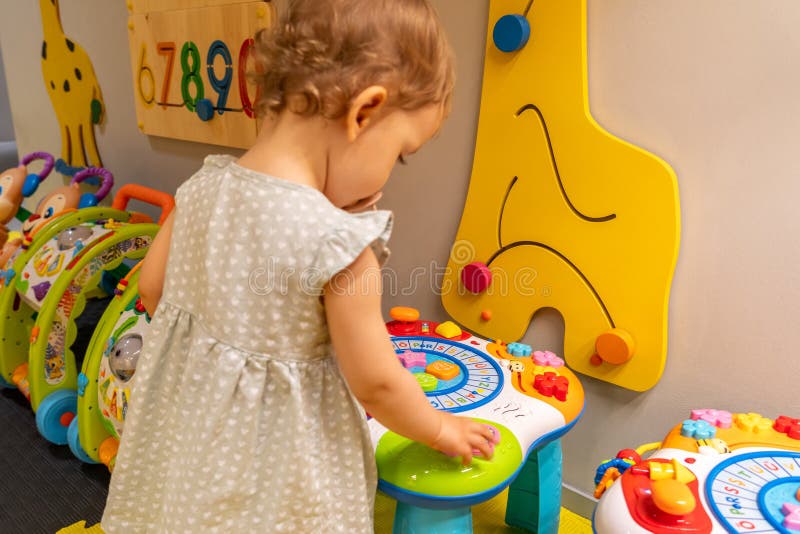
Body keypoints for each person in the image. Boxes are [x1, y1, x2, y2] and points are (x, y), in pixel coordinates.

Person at [101, 0, 494, 532]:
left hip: (189, 454)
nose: (391, 175)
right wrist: (440, 430)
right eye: (401, 152)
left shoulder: (199, 189)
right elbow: (377, 382)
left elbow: (152, 291)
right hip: (281, 478)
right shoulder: (340, 242)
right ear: (364, 113)